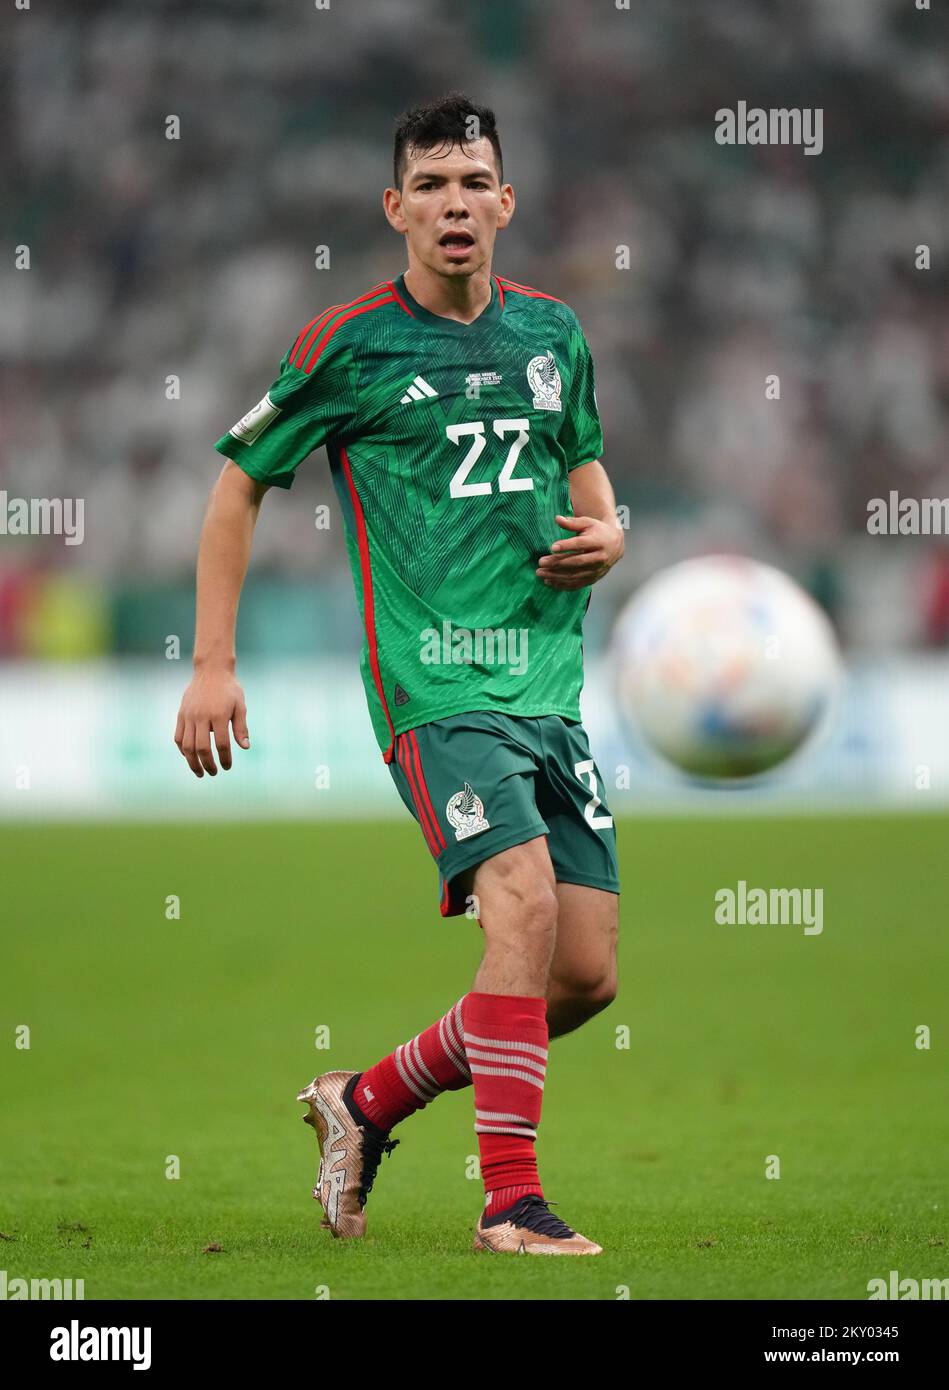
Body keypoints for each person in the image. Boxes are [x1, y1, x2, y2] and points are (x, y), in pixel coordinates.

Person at [174, 92, 623, 1255]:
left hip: (546, 683)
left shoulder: (553, 334)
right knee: (514, 900)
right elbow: (236, 485)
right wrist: (211, 665)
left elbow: (587, 477)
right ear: (395, 209)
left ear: (506, 202)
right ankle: (510, 1202)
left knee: (579, 978)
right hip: (433, 680)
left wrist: (611, 535)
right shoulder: (349, 342)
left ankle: (362, 1102)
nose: (454, 203)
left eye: (473, 181)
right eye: (429, 185)